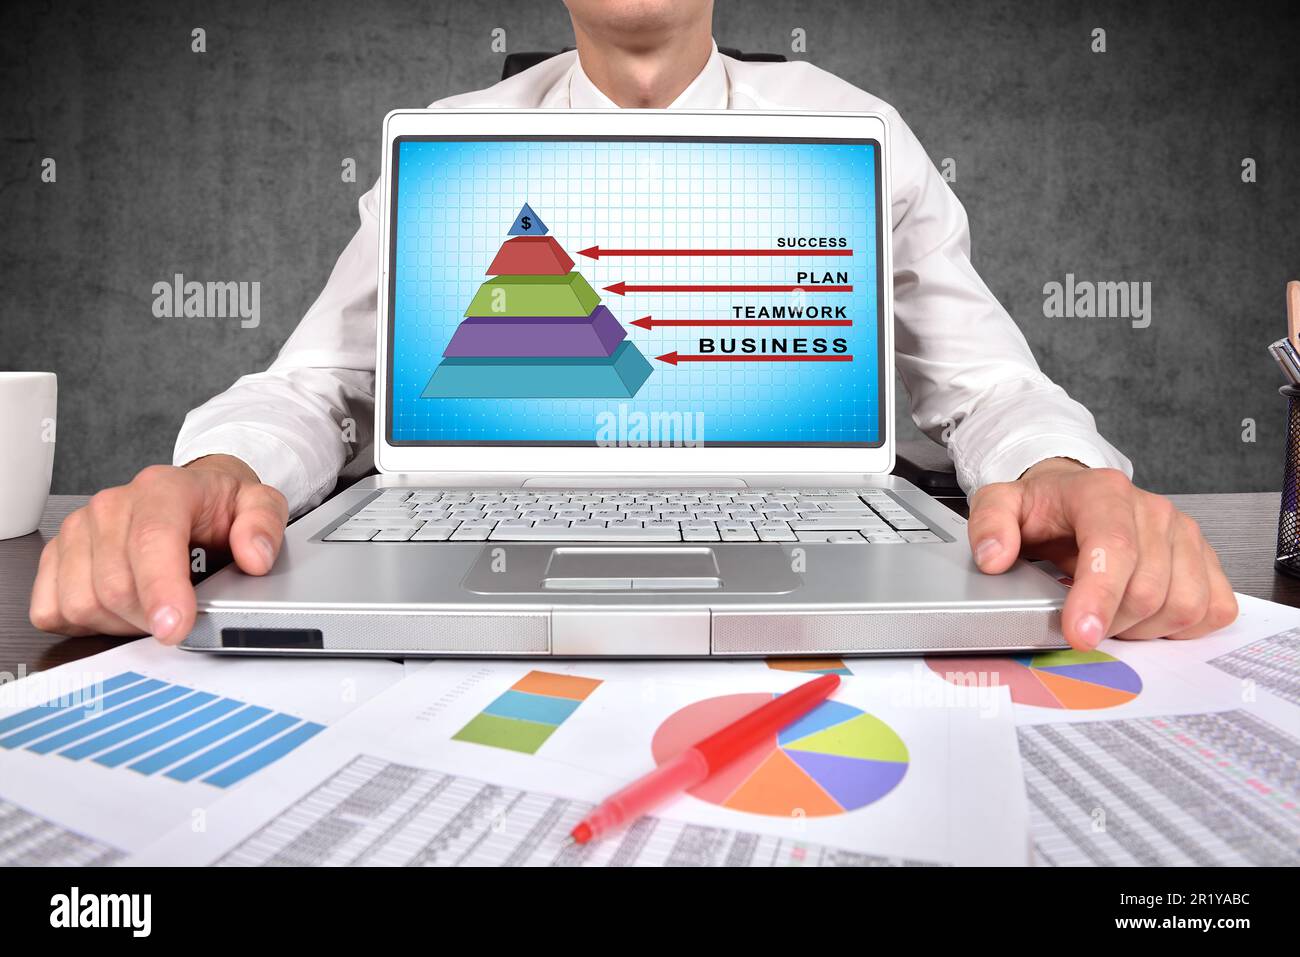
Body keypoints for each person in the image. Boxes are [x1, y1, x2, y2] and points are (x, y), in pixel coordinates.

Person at [29, 0, 1237, 651]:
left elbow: (987, 391)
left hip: (812, 540)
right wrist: (217, 471)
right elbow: (315, 386)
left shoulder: (858, 130)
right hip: (469, 528)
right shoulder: (451, 140)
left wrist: (1063, 472)